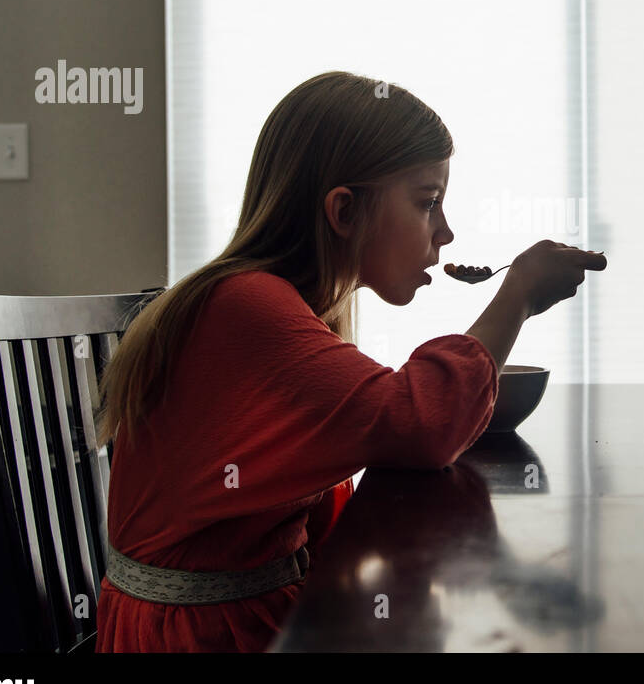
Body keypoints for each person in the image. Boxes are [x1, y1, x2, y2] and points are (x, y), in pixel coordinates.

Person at [93, 71, 606, 651]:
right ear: (343, 211)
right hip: (205, 638)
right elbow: (421, 422)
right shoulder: (248, 305)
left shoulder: (283, 305)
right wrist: (515, 298)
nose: (446, 233)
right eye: (428, 203)